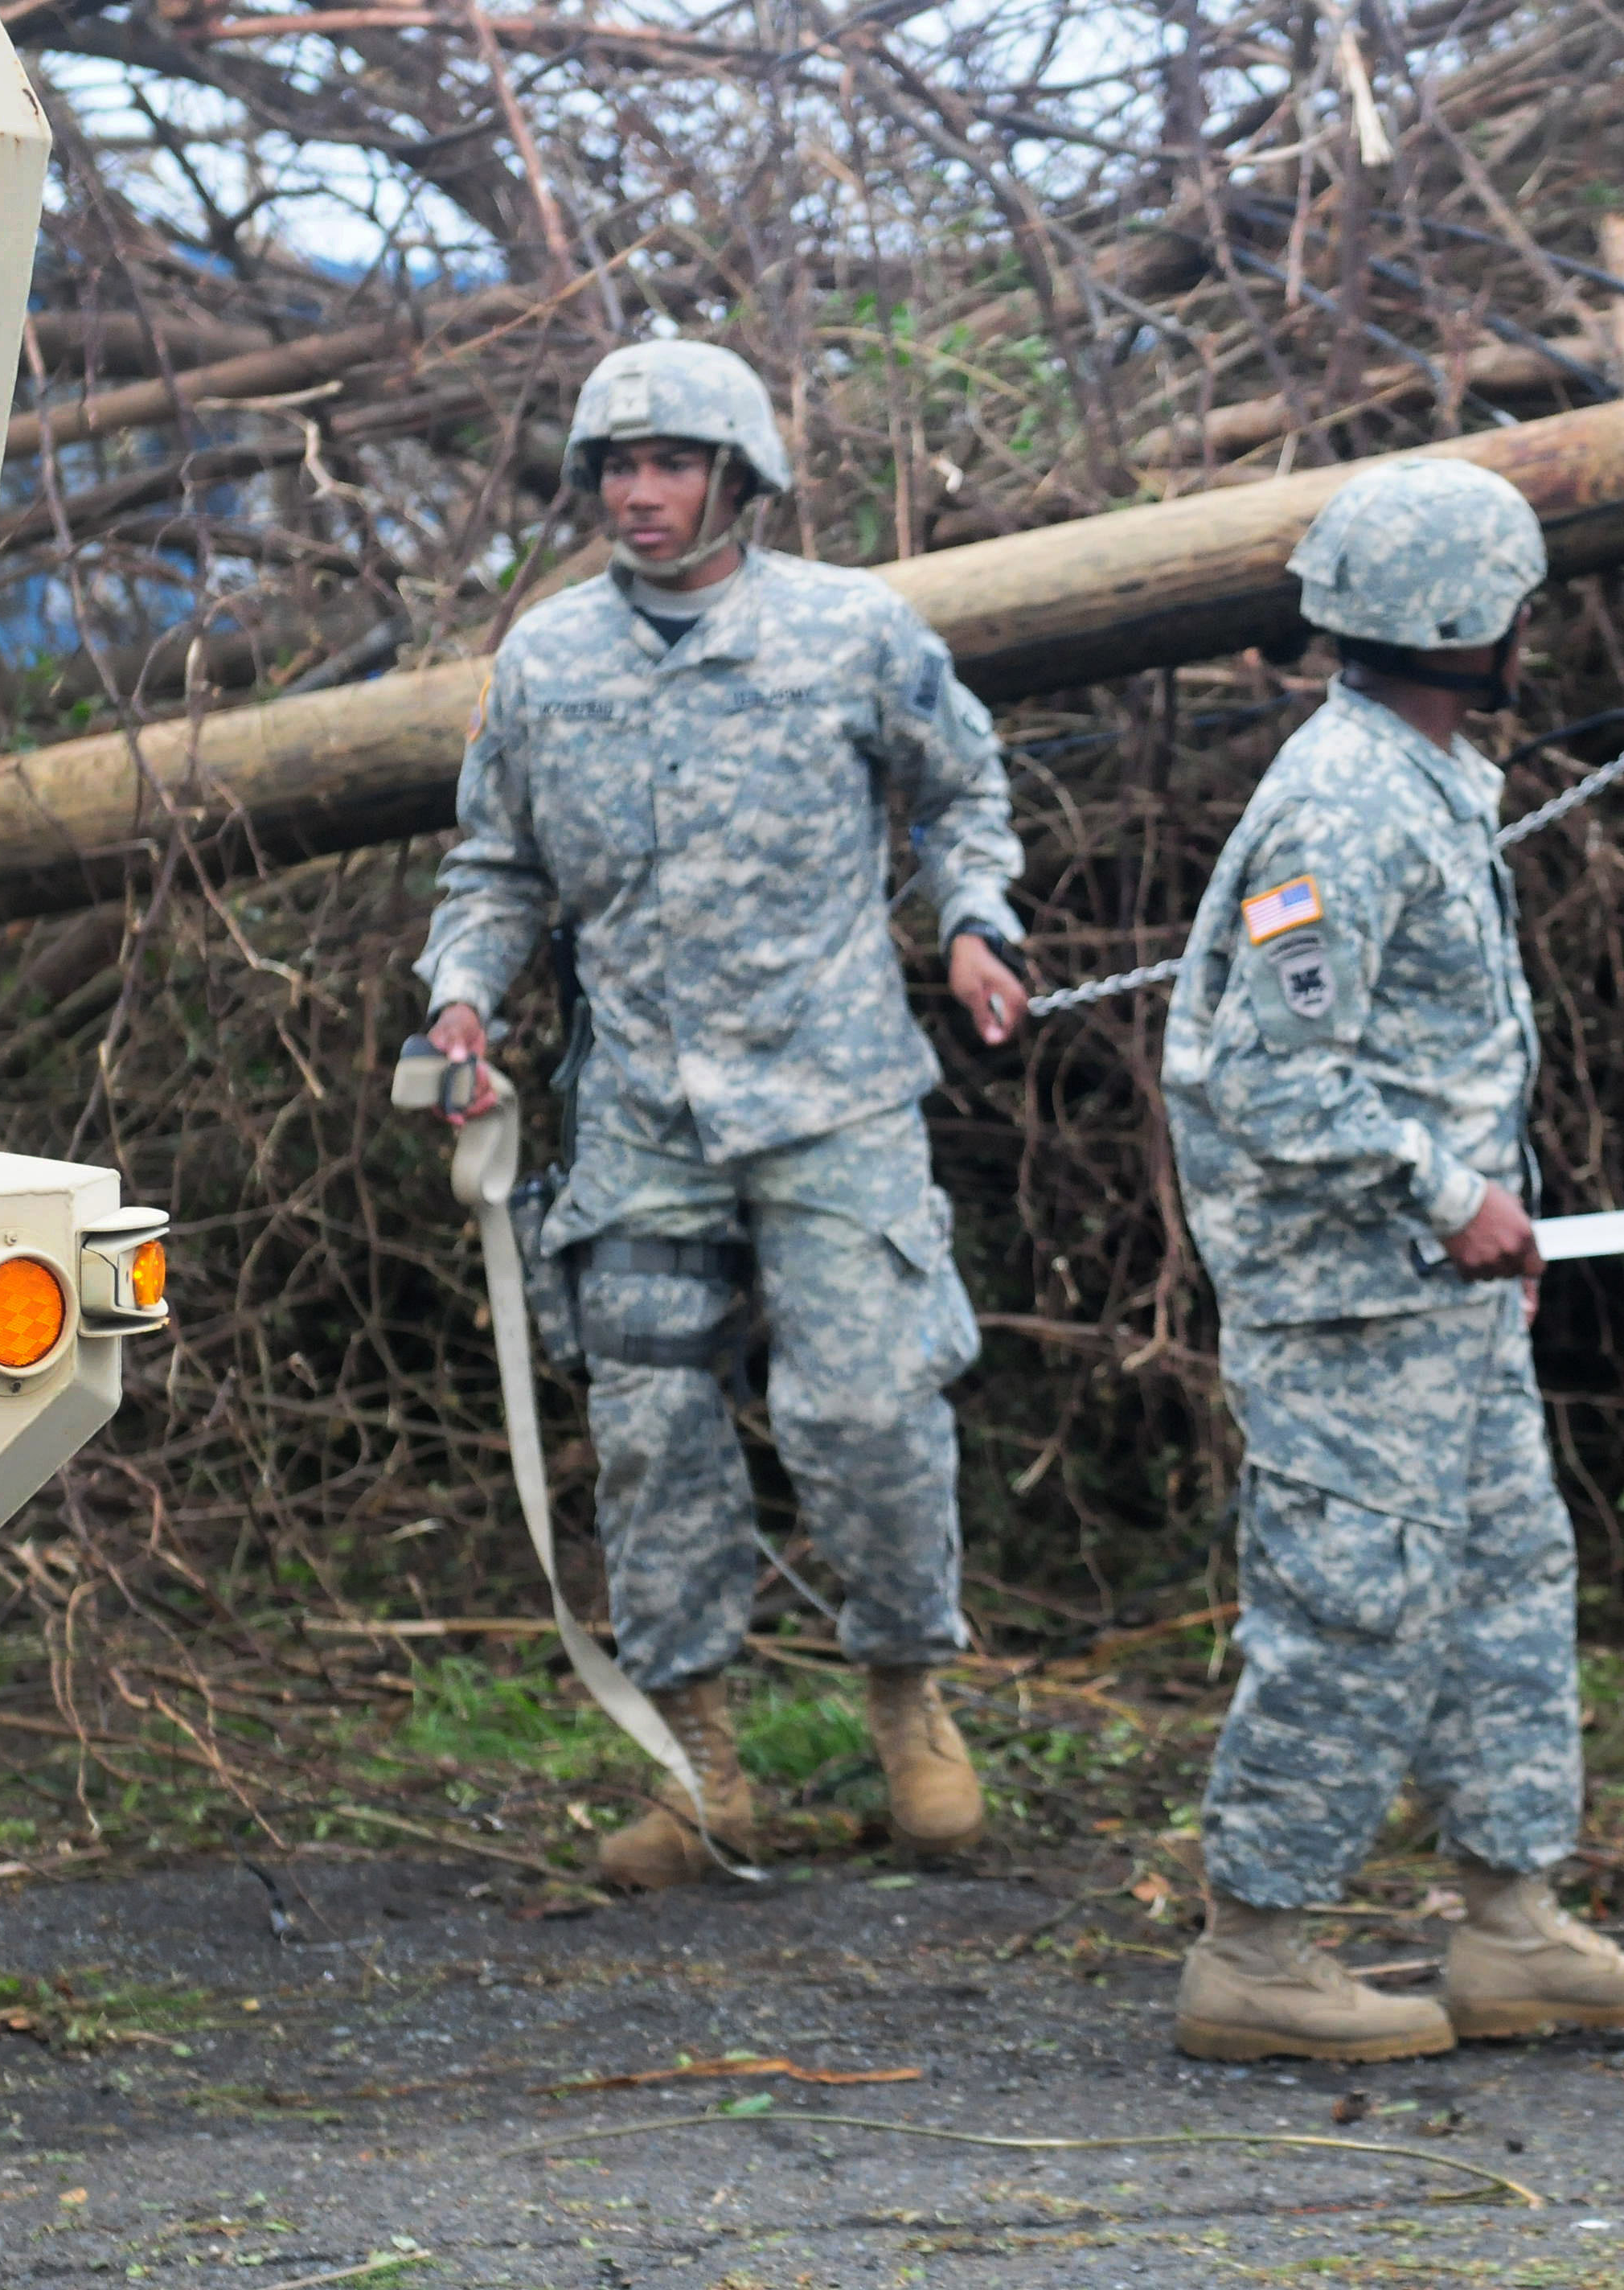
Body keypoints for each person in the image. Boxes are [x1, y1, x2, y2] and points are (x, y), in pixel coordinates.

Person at [414, 339, 1031, 1886]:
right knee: (652, 1438)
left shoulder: (851, 632)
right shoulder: (548, 664)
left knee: (870, 1411)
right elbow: (494, 867)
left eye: (672, 464)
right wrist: (462, 1000)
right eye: (617, 468)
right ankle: (700, 1771)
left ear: (739, 478)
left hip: (834, 1092)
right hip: (638, 1112)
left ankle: (911, 1716)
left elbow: (962, 794)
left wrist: (977, 925)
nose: (640, 493)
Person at [1157, 458, 1624, 2060]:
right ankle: (1256, 1952)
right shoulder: (1337, 805)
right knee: (1356, 1600)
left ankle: (1513, 1929)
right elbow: (1266, 1071)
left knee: (1500, 1583)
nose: (1534, 627)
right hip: (1349, 1289)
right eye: (1523, 605)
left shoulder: (1426, 775)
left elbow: (1416, 1051)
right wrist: (1439, 1187)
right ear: (1470, 622)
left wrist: (1491, 1213)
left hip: (1441, 1284)